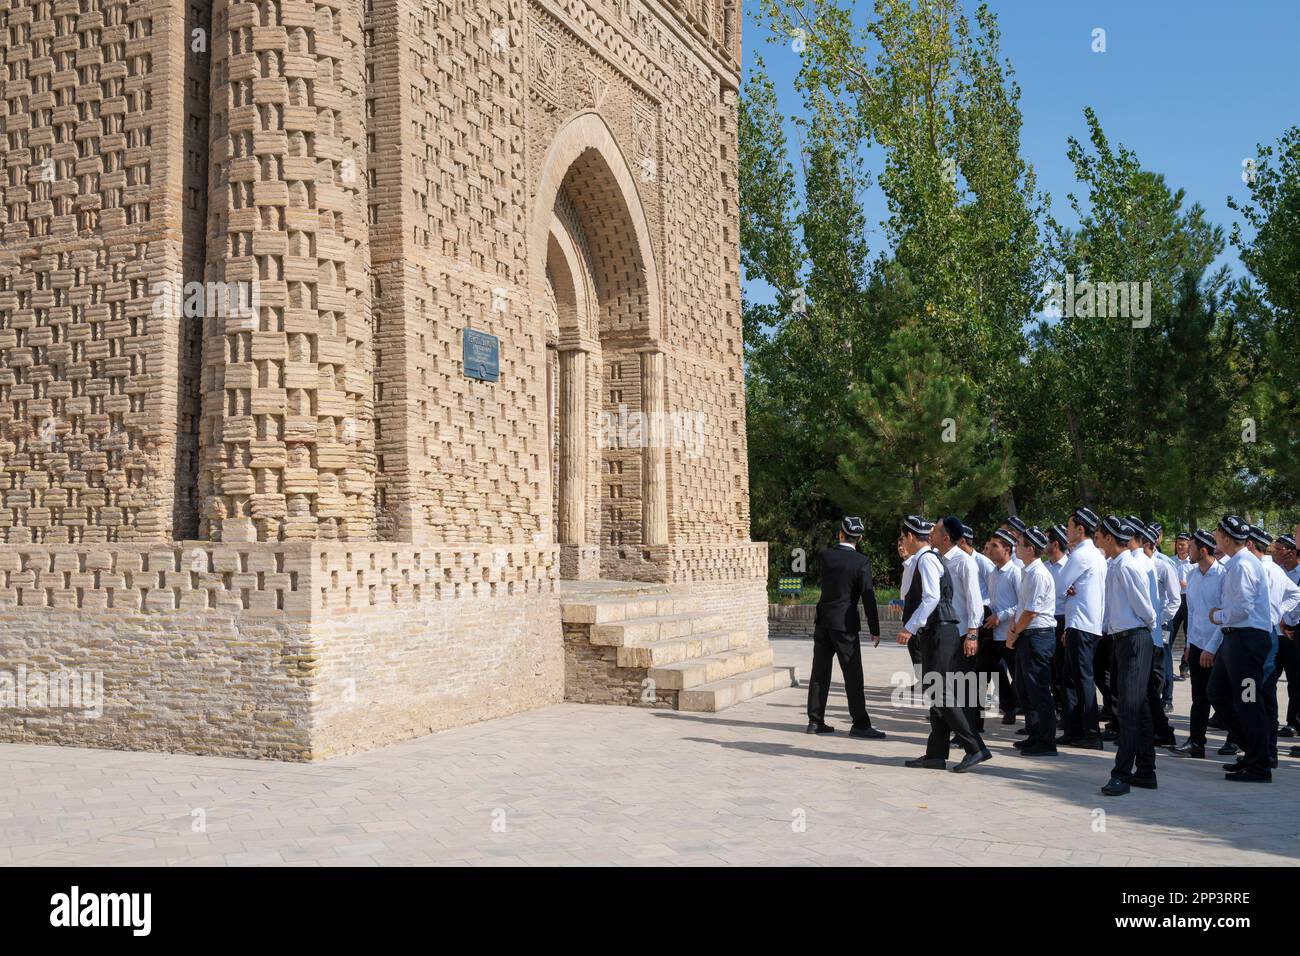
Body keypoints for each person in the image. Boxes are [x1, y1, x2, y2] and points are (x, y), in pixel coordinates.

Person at [897, 515, 991, 773]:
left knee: (939, 689)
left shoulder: (936, 560)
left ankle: (975, 747)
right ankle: (936, 754)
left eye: (935, 530)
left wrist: (910, 627)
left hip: (946, 630)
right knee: (938, 690)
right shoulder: (931, 558)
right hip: (940, 631)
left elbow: (933, 598)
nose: (932, 534)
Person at [1207, 515, 1274, 783]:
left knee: (1248, 701)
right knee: (1218, 693)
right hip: (1235, 640)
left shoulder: (1243, 565)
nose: (1214, 535)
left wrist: (1218, 616)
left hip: (1247, 640)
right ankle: (1252, 751)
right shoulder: (1237, 563)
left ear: (1225, 537)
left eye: (1217, 532)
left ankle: (1260, 764)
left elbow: (1243, 608)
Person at [806, 517, 887, 738]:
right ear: (859, 538)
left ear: (840, 534)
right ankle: (860, 723)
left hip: (823, 621)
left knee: (819, 673)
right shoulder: (861, 562)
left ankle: (815, 720)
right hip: (845, 625)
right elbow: (868, 597)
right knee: (852, 675)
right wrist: (875, 628)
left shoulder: (825, 556)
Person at [1097, 516, 1158, 796]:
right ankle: (1145, 771)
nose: (1096, 539)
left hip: (1135, 638)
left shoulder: (1127, 566)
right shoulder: (1116, 565)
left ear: (1110, 538)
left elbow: (1145, 607)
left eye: (1099, 535)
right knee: (1139, 707)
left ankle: (1121, 774)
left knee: (1129, 710)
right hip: (1123, 638)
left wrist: (1145, 627)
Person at [1170, 530, 1225, 759]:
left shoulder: (1223, 575)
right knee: (1198, 697)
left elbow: (1226, 616)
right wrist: (1190, 644)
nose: (1187, 551)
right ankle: (1196, 742)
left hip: (1218, 645)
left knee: (1224, 697)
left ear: (1203, 550)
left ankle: (1238, 741)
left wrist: (1211, 647)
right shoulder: (1192, 575)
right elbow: (1192, 612)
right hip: (1197, 644)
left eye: (1191, 547)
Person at [1055, 506, 1107, 749]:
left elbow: (1059, 585)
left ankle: (1090, 733)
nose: (1066, 531)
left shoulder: (1080, 555)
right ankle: (1075, 729)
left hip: (1081, 624)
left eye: (1069, 527)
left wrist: (1067, 588)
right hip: (1085, 623)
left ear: (1080, 529)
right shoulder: (1096, 553)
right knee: (1071, 678)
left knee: (1081, 679)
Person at [1006, 527, 1059, 755]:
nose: (1015, 547)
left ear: (1030, 549)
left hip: (1038, 636)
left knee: (1039, 689)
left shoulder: (1038, 574)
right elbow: (1022, 607)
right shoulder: (1028, 572)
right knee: (1025, 687)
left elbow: (1032, 612)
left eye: (1019, 544)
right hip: (1027, 634)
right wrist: (1014, 628)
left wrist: (1015, 632)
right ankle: (1035, 733)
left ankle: (1047, 741)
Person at [1129, 519, 1178, 747]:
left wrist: (1159, 621)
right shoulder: (1135, 563)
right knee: (1145, 690)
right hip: (1144, 633)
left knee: (1150, 689)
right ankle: (1158, 731)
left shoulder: (1161, 565)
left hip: (1152, 635)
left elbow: (1174, 600)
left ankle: (1162, 732)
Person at [935, 517, 984, 733]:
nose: (930, 532)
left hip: (963, 632)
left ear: (946, 538)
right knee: (945, 685)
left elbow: (975, 599)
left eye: (935, 530)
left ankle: (969, 733)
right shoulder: (936, 559)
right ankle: (955, 730)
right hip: (945, 632)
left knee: (964, 687)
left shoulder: (964, 562)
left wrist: (973, 633)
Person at [983, 530, 1023, 725]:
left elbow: (1022, 605)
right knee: (993, 671)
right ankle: (1008, 707)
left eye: (995, 546)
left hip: (1010, 633)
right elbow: (994, 601)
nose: (989, 549)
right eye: (989, 546)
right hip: (993, 633)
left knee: (1018, 675)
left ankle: (1022, 711)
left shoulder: (1016, 573)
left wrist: (1001, 615)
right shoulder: (992, 574)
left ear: (1007, 549)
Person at [1273, 534, 1300, 737]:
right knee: (1268, 679)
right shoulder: (1276, 573)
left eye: (1280, 549)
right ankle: (1269, 717)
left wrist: (1287, 621)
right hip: (1275, 631)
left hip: (1293, 633)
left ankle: (1293, 721)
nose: (1276, 553)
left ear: (1292, 551)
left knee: (1295, 680)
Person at [1045, 525, 1070, 720]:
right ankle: (1057, 709)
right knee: (1051, 671)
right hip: (1047, 622)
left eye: (1046, 540)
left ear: (1055, 544)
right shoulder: (1045, 567)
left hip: (1064, 620)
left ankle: (1066, 712)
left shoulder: (1070, 567)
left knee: (1063, 671)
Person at [1172, 532, 1193, 679]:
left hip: (1188, 598)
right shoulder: (1170, 561)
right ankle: (1166, 662)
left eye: (1183, 544)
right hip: (1174, 598)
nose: (1179, 547)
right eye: (1178, 544)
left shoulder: (1194, 563)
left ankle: (1184, 666)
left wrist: (1187, 584)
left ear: (1188, 545)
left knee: (1188, 633)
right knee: (1170, 631)